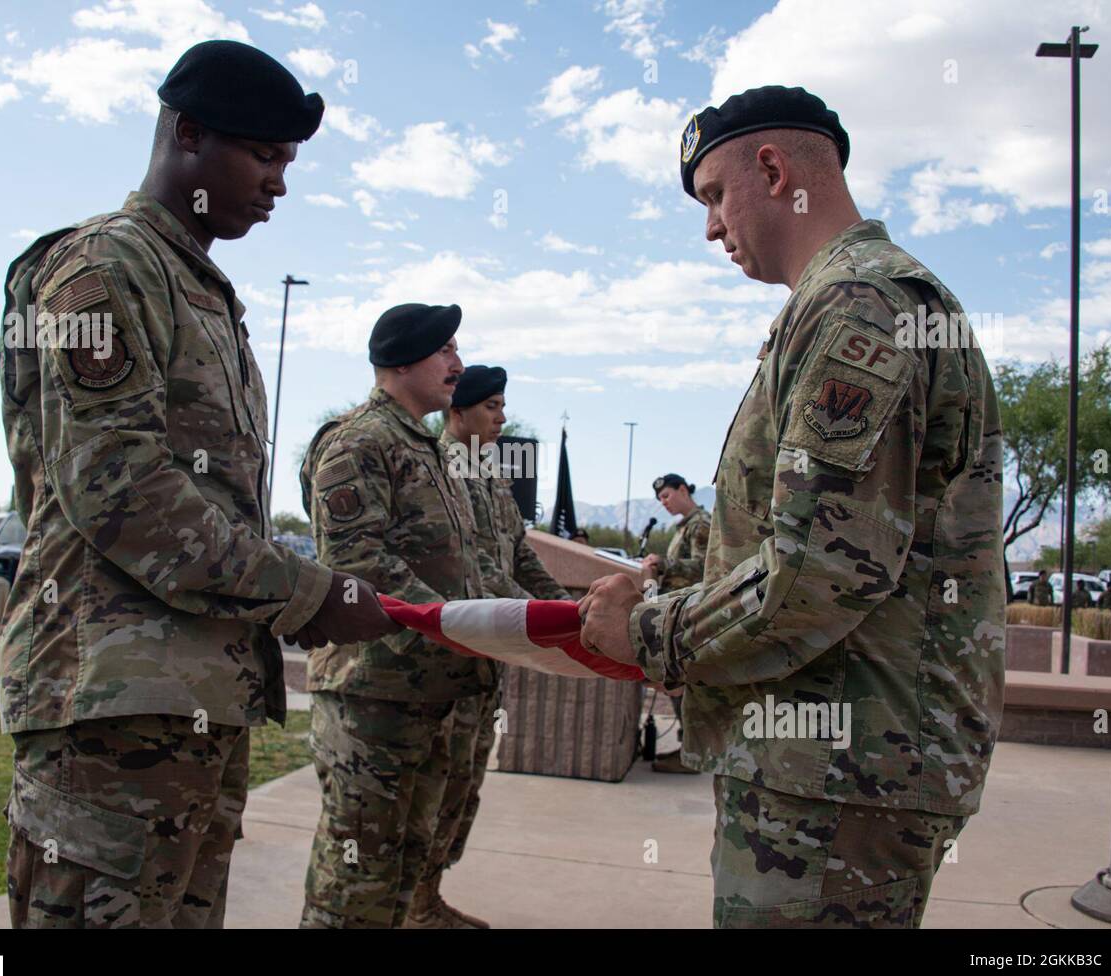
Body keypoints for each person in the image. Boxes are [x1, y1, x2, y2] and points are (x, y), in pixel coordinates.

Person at [578, 85, 1006, 928]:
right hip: (831, 762)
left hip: (839, 774)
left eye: (712, 196)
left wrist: (647, 632)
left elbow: (817, 570)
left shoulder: (861, 307)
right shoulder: (840, 305)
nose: (710, 229)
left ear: (772, 169)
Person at [0, 40, 395, 929]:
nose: (279, 184)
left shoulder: (198, 288)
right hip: (107, 703)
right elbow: (120, 487)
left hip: (192, 703)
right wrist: (304, 593)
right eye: (263, 155)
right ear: (187, 133)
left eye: (285, 162)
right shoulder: (105, 269)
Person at [298, 303, 493, 929]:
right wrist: (454, 627)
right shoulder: (359, 440)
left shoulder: (426, 448)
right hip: (371, 693)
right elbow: (357, 557)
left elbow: (460, 565)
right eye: (445, 350)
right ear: (403, 360)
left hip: (426, 693)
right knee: (358, 875)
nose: (458, 365)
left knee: (408, 866)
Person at [407, 365, 570, 928]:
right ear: (458, 412)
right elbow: (471, 567)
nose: (502, 418)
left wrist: (564, 612)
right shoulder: (439, 469)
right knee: (438, 781)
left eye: (502, 407)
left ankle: (427, 896)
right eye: (491, 407)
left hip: (488, 652)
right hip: (453, 653)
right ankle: (411, 903)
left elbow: (518, 556)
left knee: (464, 783)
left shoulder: (490, 473)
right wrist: (534, 617)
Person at [641, 473, 712, 774]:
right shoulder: (684, 526)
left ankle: (692, 752)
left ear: (683, 490)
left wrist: (664, 564)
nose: (664, 503)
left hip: (690, 613)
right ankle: (689, 748)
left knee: (679, 682)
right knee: (674, 681)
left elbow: (705, 567)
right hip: (677, 612)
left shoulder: (701, 525)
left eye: (667, 496)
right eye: (660, 500)